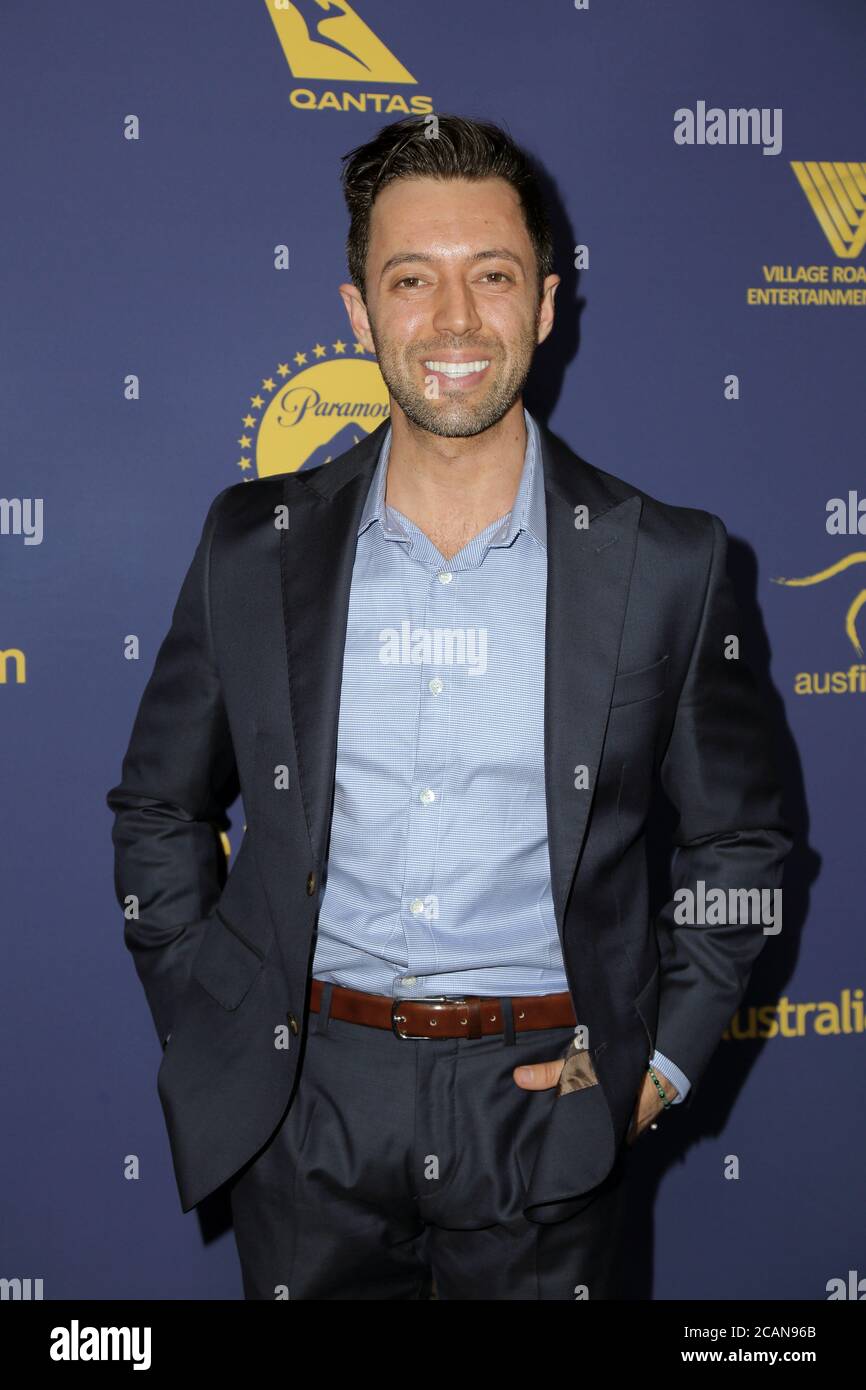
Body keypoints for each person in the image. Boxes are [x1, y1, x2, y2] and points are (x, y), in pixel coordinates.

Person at [107, 114, 793, 1300]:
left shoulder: (664, 562)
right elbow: (158, 807)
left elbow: (741, 843)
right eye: (410, 279)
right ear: (359, 311)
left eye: (492, 275)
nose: (455, 320)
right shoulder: (250, 544)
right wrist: (212, 1010)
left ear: (543, 303)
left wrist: (662, 1061)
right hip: (301, 1110)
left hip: (545, 1112)